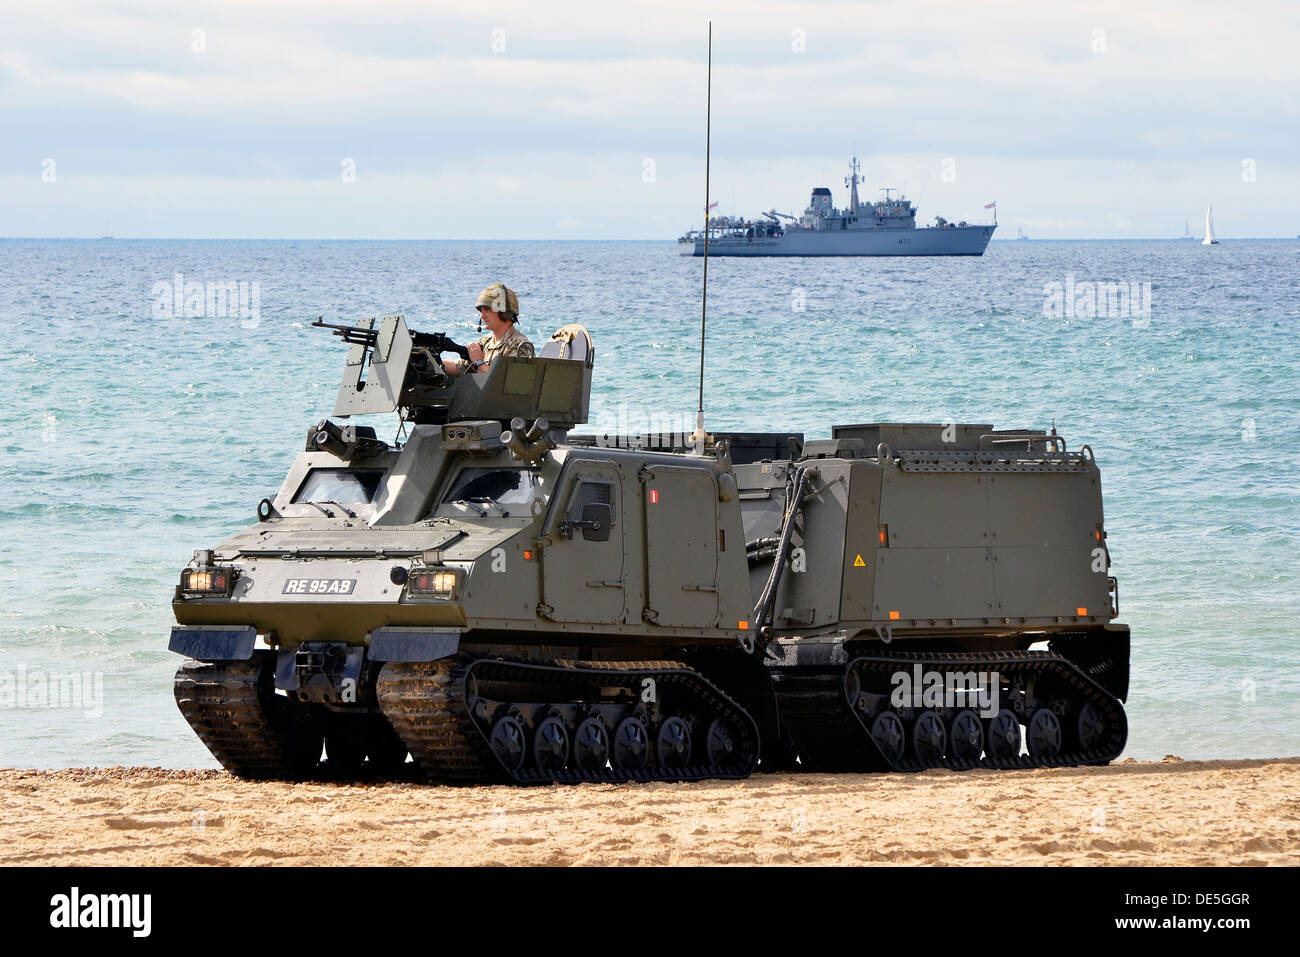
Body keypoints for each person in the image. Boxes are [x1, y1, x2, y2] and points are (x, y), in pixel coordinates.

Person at [442, 283, 534, 376]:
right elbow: (458, 368)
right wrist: (430, 360)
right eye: (481, 311)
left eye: (487, 310)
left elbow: (508, 384)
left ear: (504, 313)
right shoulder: (486, 341)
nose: (482, 316)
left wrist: (479, 362)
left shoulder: (519, 345)